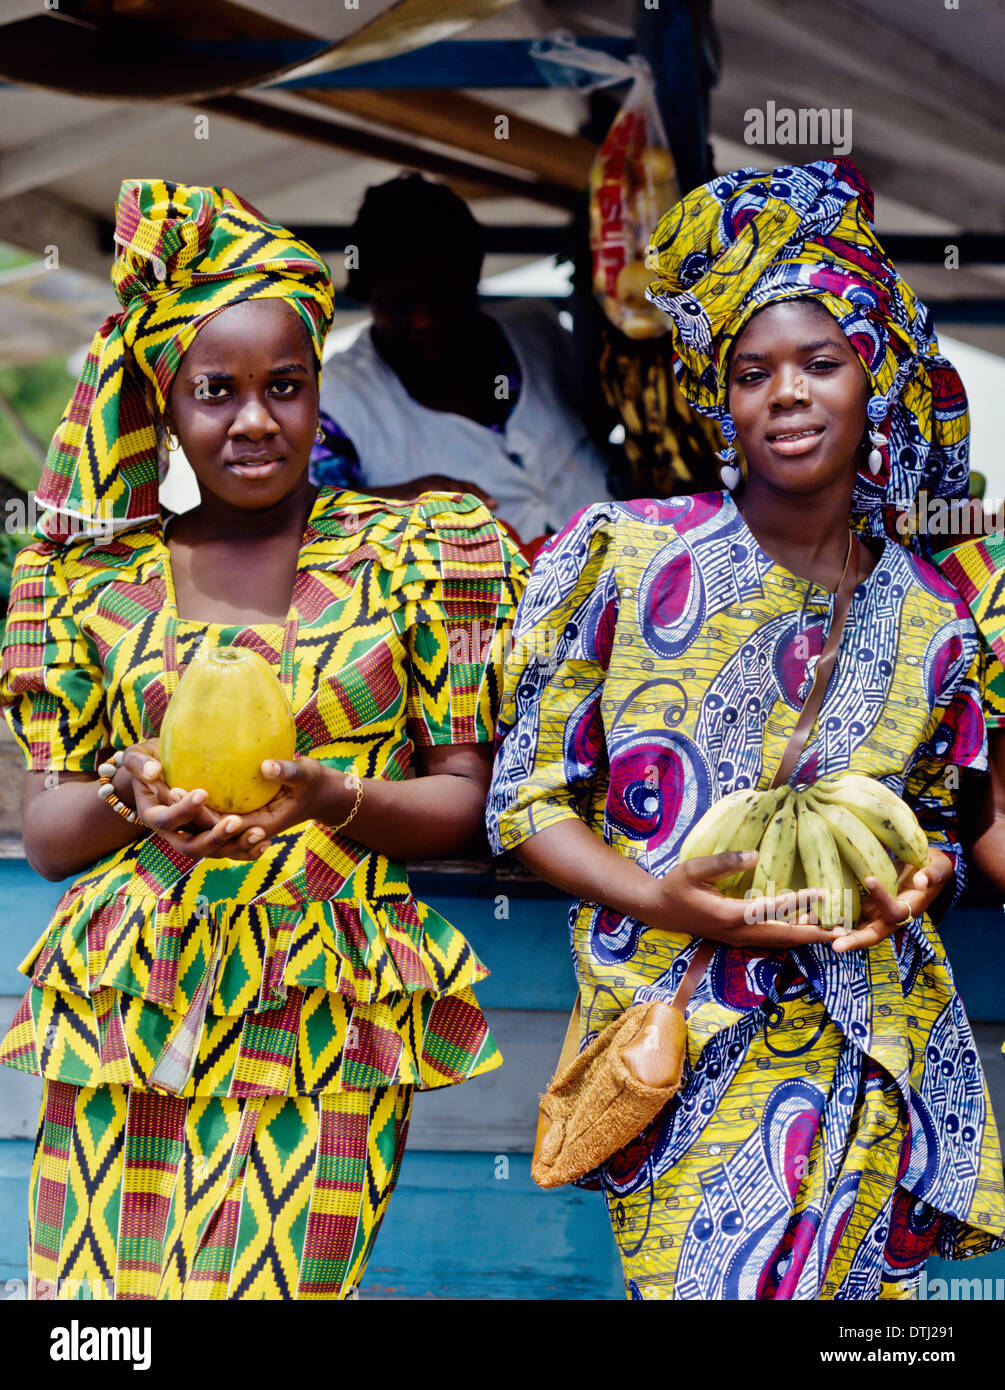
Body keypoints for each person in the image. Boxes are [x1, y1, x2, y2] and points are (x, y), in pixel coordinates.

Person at [486, 159, 1005, 1301]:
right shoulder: (622, 558)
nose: (788, 394)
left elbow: (938, 827)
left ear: (878, 378)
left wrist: (920, 878)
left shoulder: (937, 617)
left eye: (823, 363)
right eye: (753, 370)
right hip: (679, 1044)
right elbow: (524, 800)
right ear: (717, 396)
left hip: (866, 1049)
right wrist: (657, 895)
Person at [0, 178, 525, 1301]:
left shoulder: (425, 551)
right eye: (216, 391)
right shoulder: (87, 577)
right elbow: (47, 837)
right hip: (126, 1005)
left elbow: (462, 800)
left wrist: (336, 799)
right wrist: (125, 801)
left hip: (323, 1004)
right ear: (166, 399)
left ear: (319, 387)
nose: (252, 420)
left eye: (285, 386)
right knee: (102, 1316)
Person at [313, 173, 614, 547]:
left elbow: (606, 418)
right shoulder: (336, 402)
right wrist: (395, 503)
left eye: (443, 298)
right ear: (363, 294)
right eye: (399, 305)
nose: (422, 320)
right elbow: (299, 521)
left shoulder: (537, 329)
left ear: (473, 278)